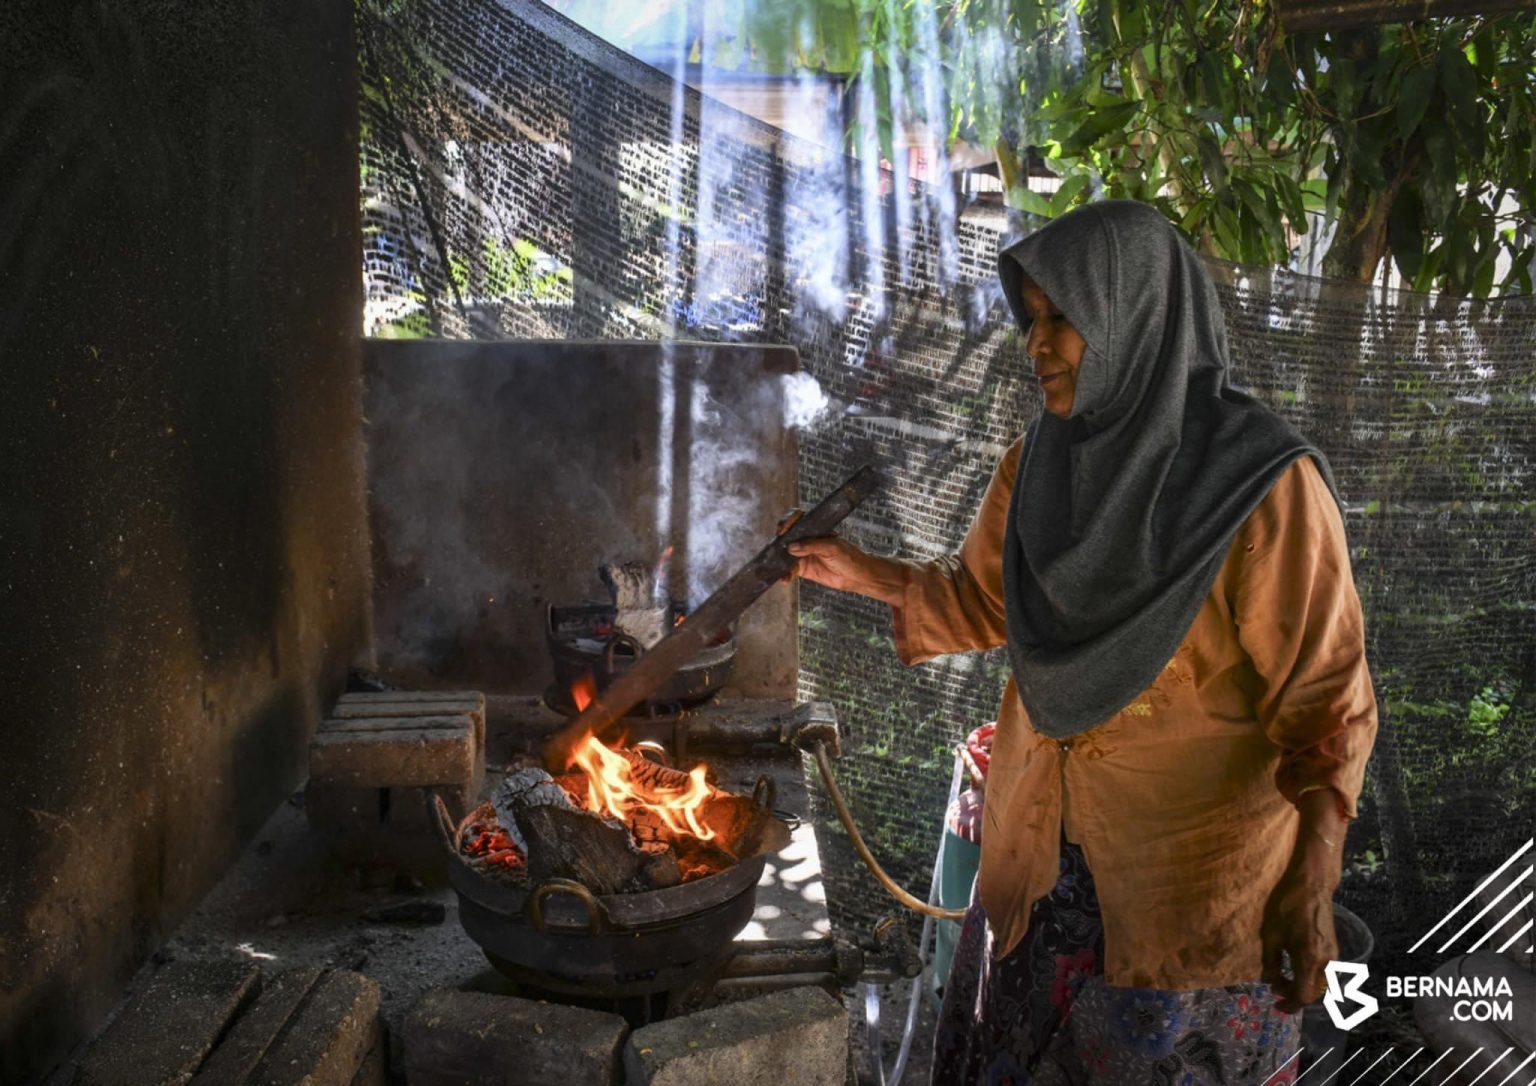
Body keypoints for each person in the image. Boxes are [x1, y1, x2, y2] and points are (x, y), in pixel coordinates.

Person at [789, 200, 1378, 1085]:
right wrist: (859, 571)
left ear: (1136, 313)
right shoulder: (1040, 463)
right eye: (1031, 320)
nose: (1037, 344)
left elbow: (1326, 700)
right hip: (1041, 865)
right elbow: (989, 601)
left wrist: (1313, 880)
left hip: (1184, 889)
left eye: (1064, 318)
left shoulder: (1261, 486)